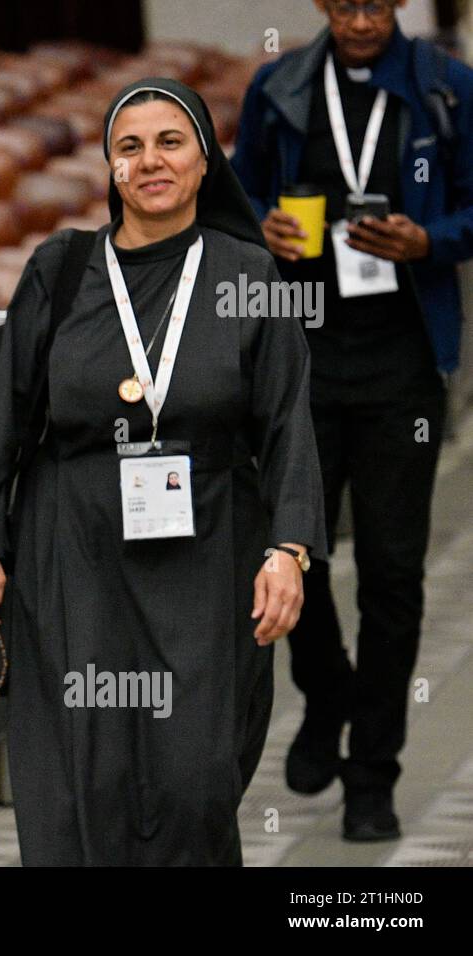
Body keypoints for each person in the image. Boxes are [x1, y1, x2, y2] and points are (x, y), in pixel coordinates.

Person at [0, 79, 327, 865]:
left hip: (207, 550)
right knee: (84, 777)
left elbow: (290, 423)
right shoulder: (61, 268)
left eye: (169, 142)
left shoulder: (245, 273)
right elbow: (3, 420)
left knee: (194, 779)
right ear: (110, 168)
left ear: (202, 161)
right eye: (130, 147)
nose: (150, 160)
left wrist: (288, 550)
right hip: (72, 550)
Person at [230, 0, 473, 841]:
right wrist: (262, 227)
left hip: (403, 357)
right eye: (345, 3)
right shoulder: (280, 84)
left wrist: (430, 240)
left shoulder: (446, 88)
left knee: (393, 575)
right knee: (292, 546)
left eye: (376, 2)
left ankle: (374, 770)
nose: (362, 19)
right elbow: (240, 187)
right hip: (299, 352)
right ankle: (326, 687)